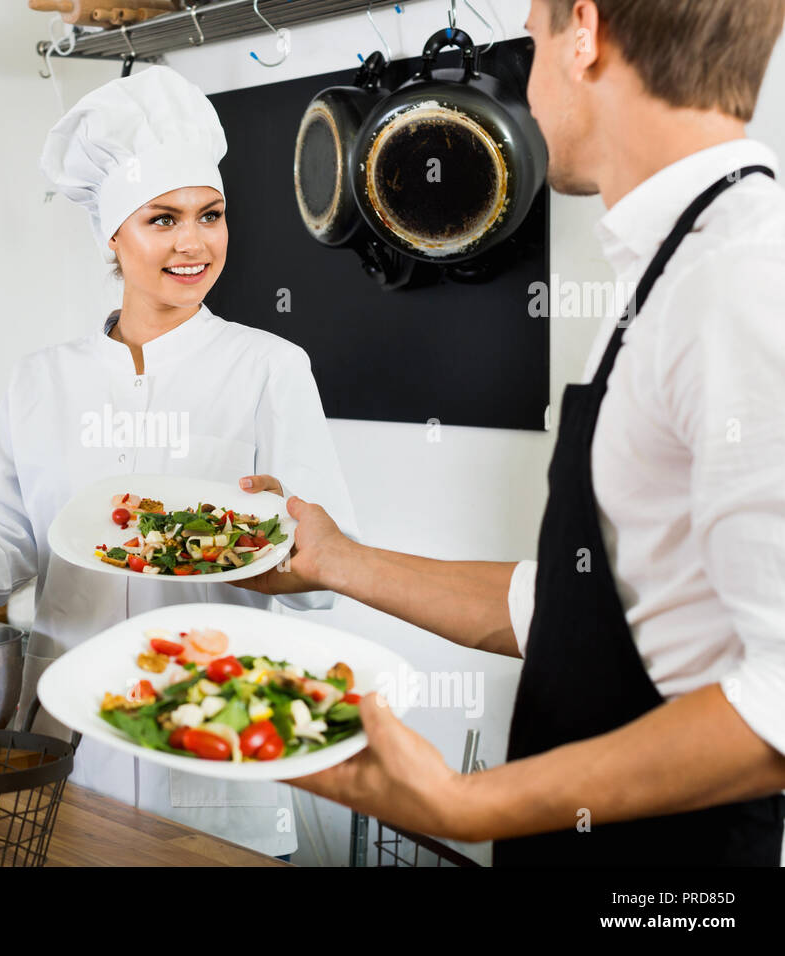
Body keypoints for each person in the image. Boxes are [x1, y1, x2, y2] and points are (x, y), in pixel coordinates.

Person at [238, 0, 785, 866]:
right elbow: (586, 609)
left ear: (585, 32)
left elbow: (779, 702)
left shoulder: (742, 283)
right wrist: (336, 558)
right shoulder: (677, 265)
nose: (527, 84)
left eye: (529, 42)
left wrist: (465, 802)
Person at [0, 65, 359, 857]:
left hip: (214, 743)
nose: (194, 243)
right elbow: (6, 548)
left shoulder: (270, 369)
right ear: (111, 235)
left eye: (211, 216)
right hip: (73, 742)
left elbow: (331, 571)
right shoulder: (41, 379)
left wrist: (279, 535)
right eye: (162, 219)